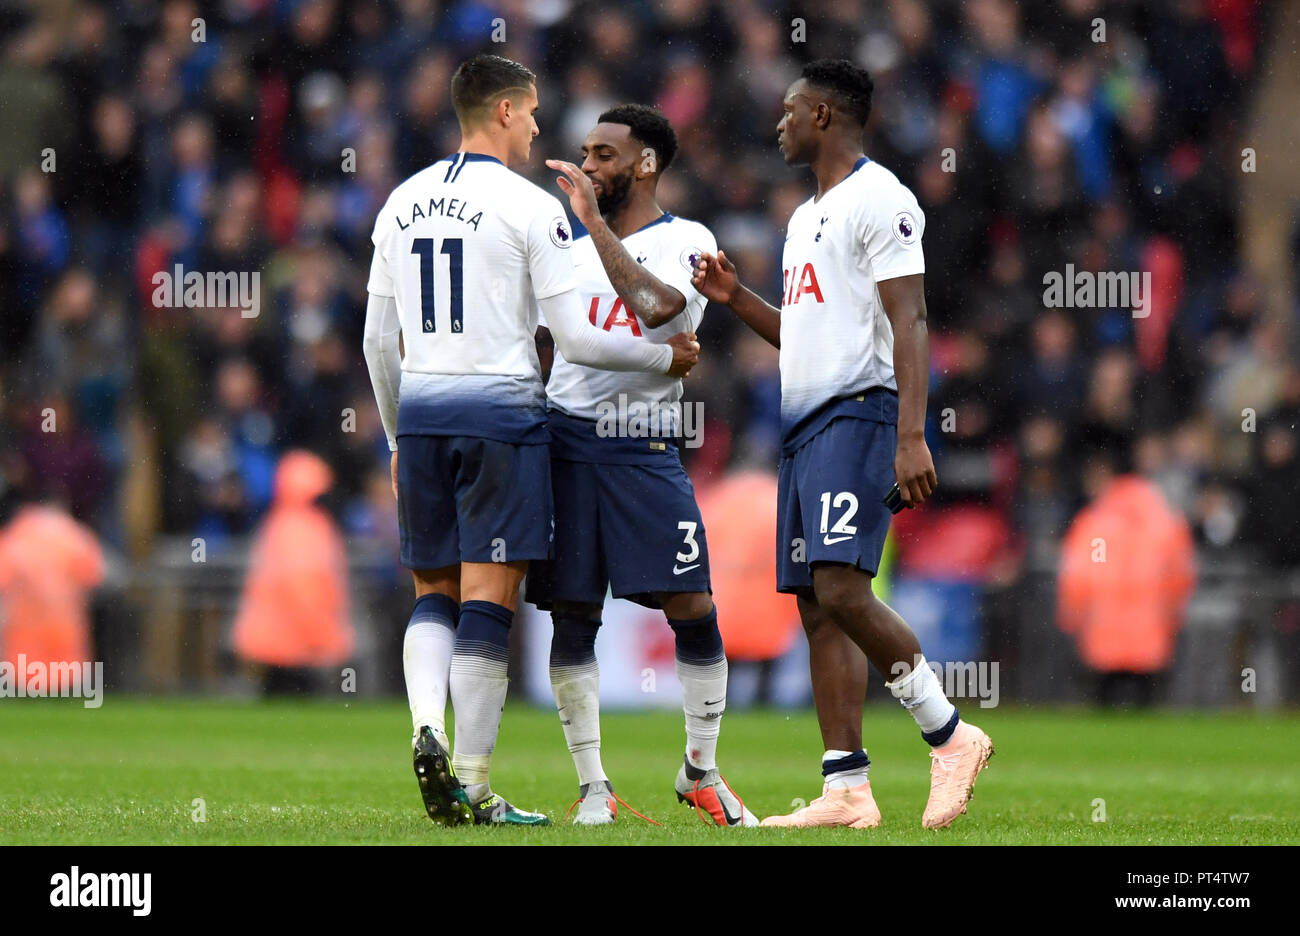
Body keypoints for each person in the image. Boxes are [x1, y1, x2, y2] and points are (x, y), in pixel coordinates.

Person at [362, 54, 698, 827]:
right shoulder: (528, 206)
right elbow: (577, 340)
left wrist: (392, 435)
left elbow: (380, 341)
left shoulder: (400, 201)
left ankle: (424, 727)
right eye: (536, 111)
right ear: (507, 112)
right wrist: (662, 355)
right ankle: (474, 786)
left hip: (420, 416)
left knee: (431, 589)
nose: (544, 127)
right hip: (503, 419)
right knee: (490, 596)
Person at [692, 59, 993, 829]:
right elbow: (804, 338)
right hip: (806, 421)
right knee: (816, 607)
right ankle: (846, 788)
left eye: (790, 111)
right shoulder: (805, 217)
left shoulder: (882, 198)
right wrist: (734, 299)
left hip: (860, 415)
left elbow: (911, 319)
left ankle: (950, 735)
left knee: (842, 589)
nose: (779, 123)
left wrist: (910, 434)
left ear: (825, 116)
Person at [528, 105, 756, 826]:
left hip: (644, 443)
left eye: (604, 155)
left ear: (646, 163)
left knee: (693, 604)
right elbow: (544, 337)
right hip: (566, 440)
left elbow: (660, 312)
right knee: (573, 612)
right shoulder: (555, 238)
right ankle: (594, 787)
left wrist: (595, 225)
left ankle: (701, 770)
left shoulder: (688, 240)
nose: (588, 167)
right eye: (586, 154)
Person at [1057, 447, 1196, 706]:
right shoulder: (1167, 519)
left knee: (1104, 712)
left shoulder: (1092, 520)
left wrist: (1072, 616)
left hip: (1103, 629)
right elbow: (1181, 573)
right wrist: (1173, 612)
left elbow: (1076, 575)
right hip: (1151, 630)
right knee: (1148, 711)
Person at [230, 450, 353, 694]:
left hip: (273, 634)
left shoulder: (277, 522)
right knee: (300, 696)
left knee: (275, 695)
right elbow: (302, 583)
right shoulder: (307, 527)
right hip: (295, 635)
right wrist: (320, 630)